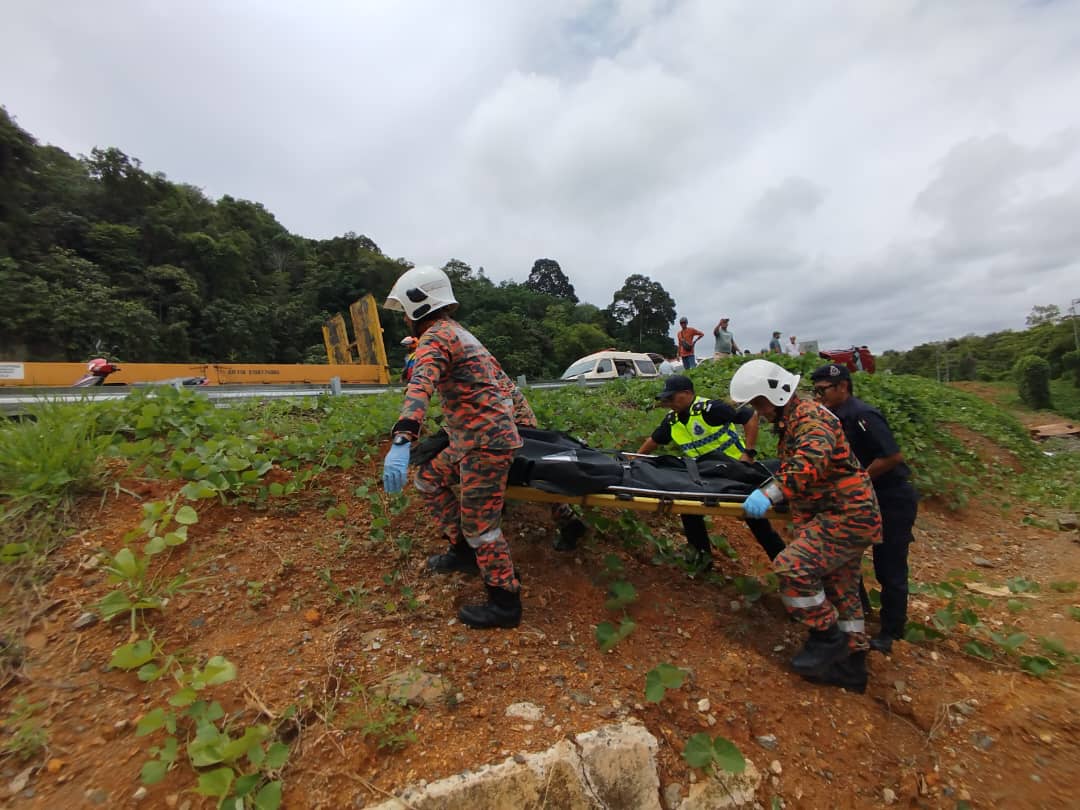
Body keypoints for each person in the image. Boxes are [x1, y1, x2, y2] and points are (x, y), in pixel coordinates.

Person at [381, 265, 523, 630]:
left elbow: (421, 386)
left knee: (482, 526)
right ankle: (462, 552)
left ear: (418, 304)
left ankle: (505, 602)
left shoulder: (436, 337)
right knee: (428, 479)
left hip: (485, 444)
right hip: (471, 439)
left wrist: (402, 438)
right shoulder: (457, 332)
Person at [730, 359, 882, 692]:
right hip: (842, 513)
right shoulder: (795, 421)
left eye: (759, 403)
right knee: (842, 590)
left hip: (845, 515)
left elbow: (806, 466)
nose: (760, 412)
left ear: (777, 393)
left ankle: (827, 638)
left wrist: (768, 494)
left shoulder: (811, 420)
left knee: (791, 566)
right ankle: (853, 667)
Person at [810, 363, 919, 654]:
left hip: (889, 497)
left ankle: (891, 632)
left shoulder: (861, 415)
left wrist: (856, 482)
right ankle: (861, 613)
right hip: (857, 500)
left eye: (823, 390)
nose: (818, 396)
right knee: (844, 561)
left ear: (843, 386)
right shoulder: (831, 417)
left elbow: (892, 456)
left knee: (889, 567)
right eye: (815, 391)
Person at [636, 375, 786, 571]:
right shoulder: (672, 421)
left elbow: (749, 416)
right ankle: (701, 562)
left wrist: (748, 453)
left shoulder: (709, 409)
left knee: (756, 520)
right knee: (689, 509)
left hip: (736, 473)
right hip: (704, 476)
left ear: (688, 394)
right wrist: (635, 460)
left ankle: (785, 565)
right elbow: (654, 441)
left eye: (672, 398)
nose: (669, 403)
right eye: (667, 400)